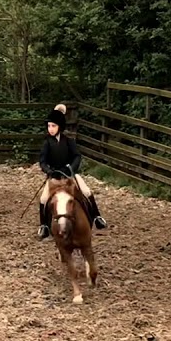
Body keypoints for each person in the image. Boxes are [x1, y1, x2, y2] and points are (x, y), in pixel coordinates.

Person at [36, 103, 107, 240]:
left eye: (53, 126)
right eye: (49, 126)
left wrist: (71, 168)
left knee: (86, 191)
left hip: (69, 174)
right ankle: (44, 226)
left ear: (60, 127)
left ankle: (97, 217)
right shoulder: (47, 143)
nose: (50, 129)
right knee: (44, 199)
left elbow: (77, 156)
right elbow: (42, 161)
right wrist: (49, 170)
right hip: (54, 176)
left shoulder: (68, 141)